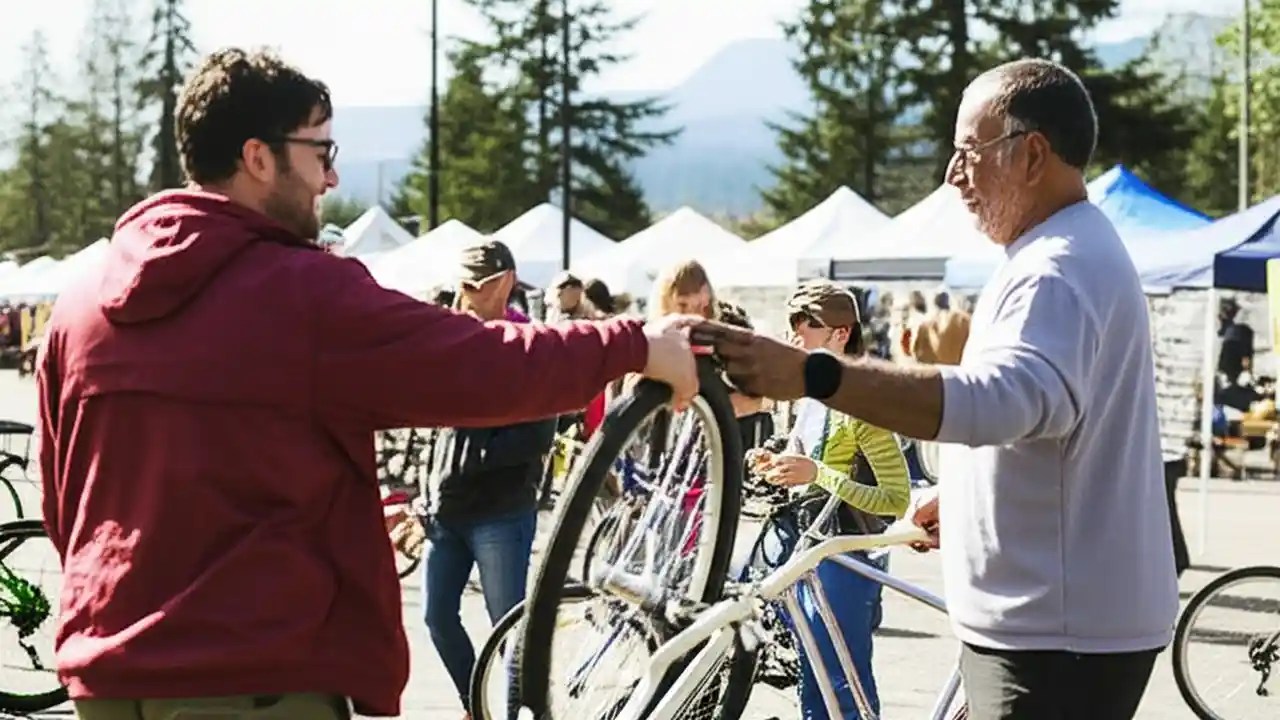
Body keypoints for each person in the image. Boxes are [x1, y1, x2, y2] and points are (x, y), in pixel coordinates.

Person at [36, 48, 697, 720]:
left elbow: (69, 511)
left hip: (107, 678)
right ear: (258, 157)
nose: (332, 176)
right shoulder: (299, 292)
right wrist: (635, 343)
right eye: (320, 151)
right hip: (254, 677)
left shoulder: (80, 304)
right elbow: (481, 365)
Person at [694, 58, 1177, 720]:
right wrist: (970, 496)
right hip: (1056, 627)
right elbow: (1054, 418)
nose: (952, 176)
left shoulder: (1055, 270)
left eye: (967, 153)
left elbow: (1001, 400)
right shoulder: (1063, 253)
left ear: (1032, 154)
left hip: (1055, 636)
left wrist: (813, 374)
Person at [748, 282, 909, 720]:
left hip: (847, 557)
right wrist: (780, 462)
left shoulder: (861, 400)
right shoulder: (812, 397)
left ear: (841, 334)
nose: (796, 332)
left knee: (844, 686)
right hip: (810, 553)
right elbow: (808, 467)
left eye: (808, 323)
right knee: (813, 680)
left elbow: (896, 500)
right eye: (792, 322)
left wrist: (817, 473)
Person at [423, 241, 555, 719]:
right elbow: (435, 426)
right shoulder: (454, 340)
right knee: (437, 617)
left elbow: (540, 431)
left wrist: (470, 457)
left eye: (476, 284)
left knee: (509, 628)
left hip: (501, 508)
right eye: (463, 283)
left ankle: (524, 711)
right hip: (448, 509)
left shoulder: (527, 344)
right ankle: (474, 705)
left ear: (505, 283)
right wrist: (427, 491)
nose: (467, 293)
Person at [909, 290, 971, 365]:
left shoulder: (927, 324)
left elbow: (917, 352)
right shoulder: (964, 319)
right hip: (961, 368)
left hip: (938, 370)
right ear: (948, 301)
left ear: (934, 303)